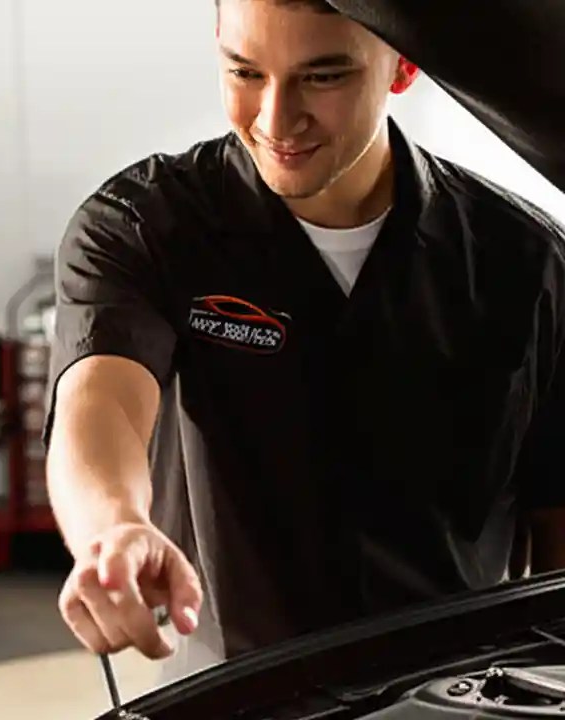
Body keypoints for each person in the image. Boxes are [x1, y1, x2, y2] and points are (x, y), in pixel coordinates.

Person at [46, 0, 565, 686]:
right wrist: (112, 529)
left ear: (403, 66)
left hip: (449, 696)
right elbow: (100, 400)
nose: (275, 118)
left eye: (324, 78)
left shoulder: (523, 261)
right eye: (245, 72)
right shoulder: (145, 226)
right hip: (236, 696)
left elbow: (556, 519)